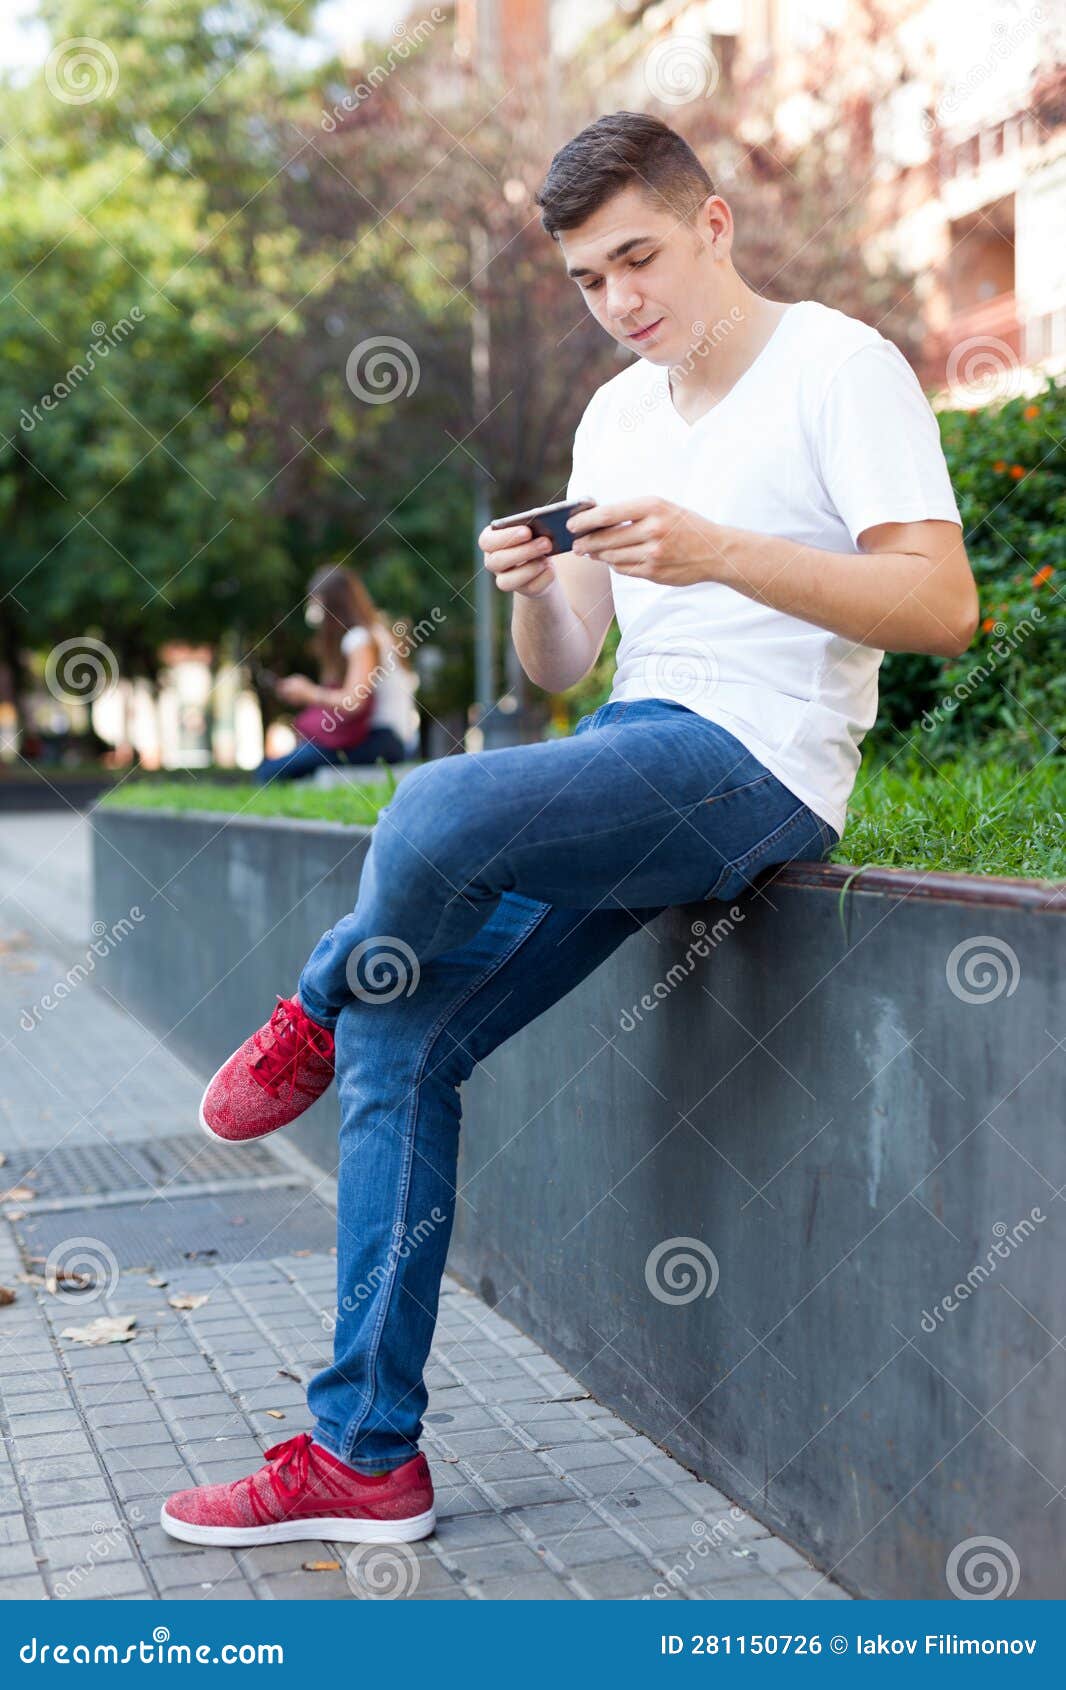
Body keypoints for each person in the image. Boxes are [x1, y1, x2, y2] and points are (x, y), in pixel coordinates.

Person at [160, 111, 977, 1548]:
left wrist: (722, 549)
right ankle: (363, 1452)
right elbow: (562, 668)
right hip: (630, 751)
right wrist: (532, 589)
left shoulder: (838, 366)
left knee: (430, 805)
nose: (619, 302)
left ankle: (311, 998)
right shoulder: (615, 416)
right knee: (407, 1039)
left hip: (758, 765)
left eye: (639, 260)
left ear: (714, 224)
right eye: (590, 281)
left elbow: (938, 607)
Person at [252, 563, 420, 785]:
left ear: (332, 604)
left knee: (268, 772)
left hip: (379, 740)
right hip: (388, 740)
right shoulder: (376, 633)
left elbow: (353, 702)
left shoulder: (359, 638)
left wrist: (308, 692)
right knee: (286, 764)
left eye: (316, 606)